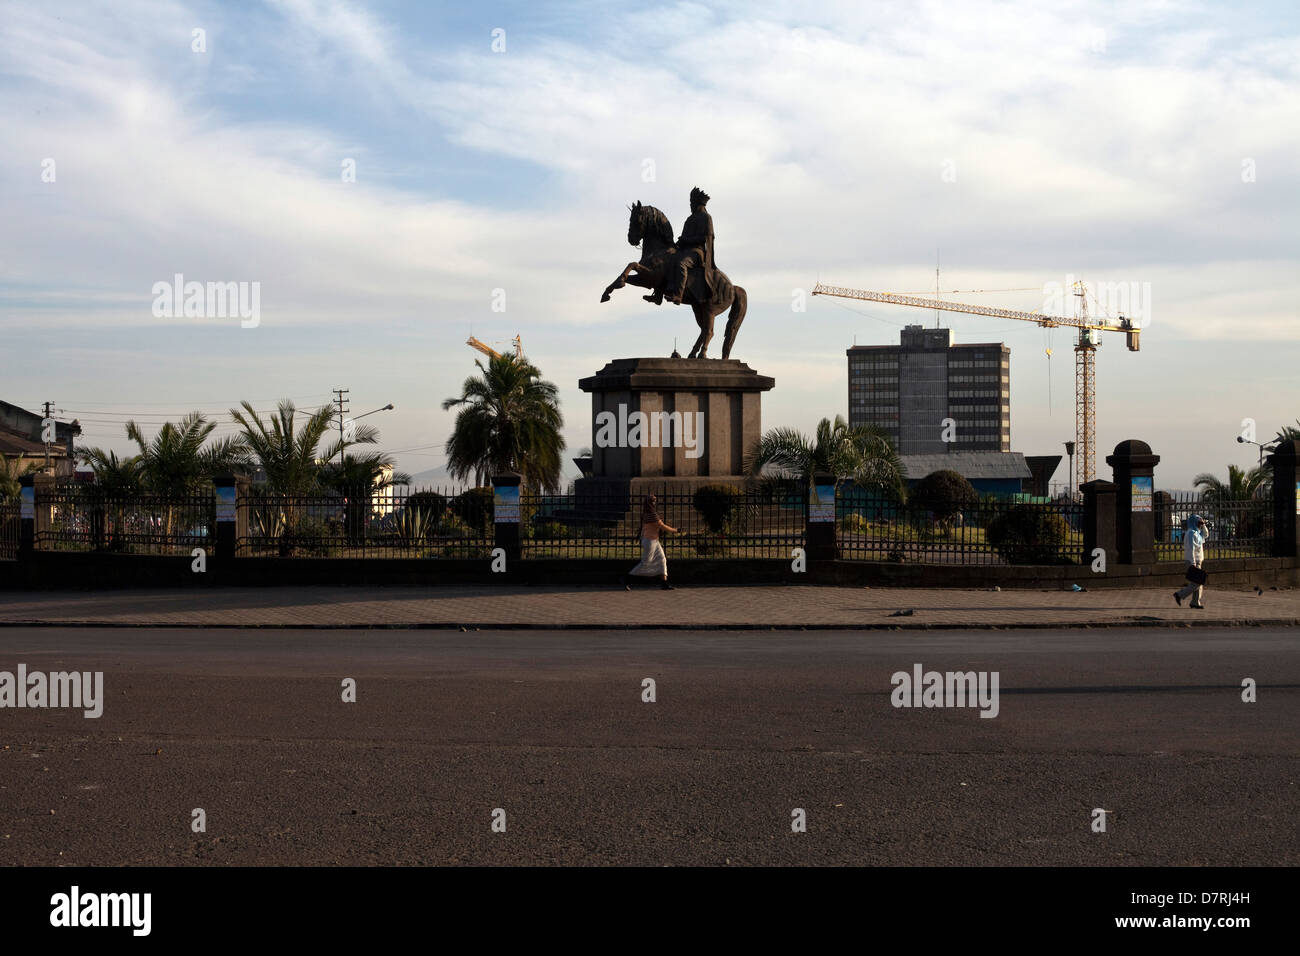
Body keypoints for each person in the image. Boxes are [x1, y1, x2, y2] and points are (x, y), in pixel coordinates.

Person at [662, 187, 716, 306]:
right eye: (690, 203)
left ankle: (678, 295)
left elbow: (706, 238)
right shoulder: (690, 219)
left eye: (692, 203)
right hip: (685, 249)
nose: (691, 205)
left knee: (682, 263)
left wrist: (687, 240)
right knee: (668, 259)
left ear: (698, 204)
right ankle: (658, 294)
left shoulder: (706, 218)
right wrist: (674, 245)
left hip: (697, 252)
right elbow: (683, 238)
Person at [624, 493, 677, 590]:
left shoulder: (646, 513)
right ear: (649, 503)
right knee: (646, 563)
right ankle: (627, 578)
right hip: (650, 541)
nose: (654, 502)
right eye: (653, 501)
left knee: (662, 559)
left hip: (653, 540)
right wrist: (675, 530)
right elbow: (662, 526)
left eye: (655, 500)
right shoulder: (652, 514)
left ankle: (664, 583)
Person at [1173, 513, 1208, 609]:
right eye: (1198, 523)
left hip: (1198, 560)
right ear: (1193, 522)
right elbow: (1190, 549)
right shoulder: (1190, 533)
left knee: (1197, 582)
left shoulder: (1198, 533)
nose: (1200, 525)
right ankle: (1179, 595)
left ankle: (1195, 602)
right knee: (1197, 583)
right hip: (1192, 560)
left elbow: (1206, 534)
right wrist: (1192, 563)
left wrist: (1203, 524)